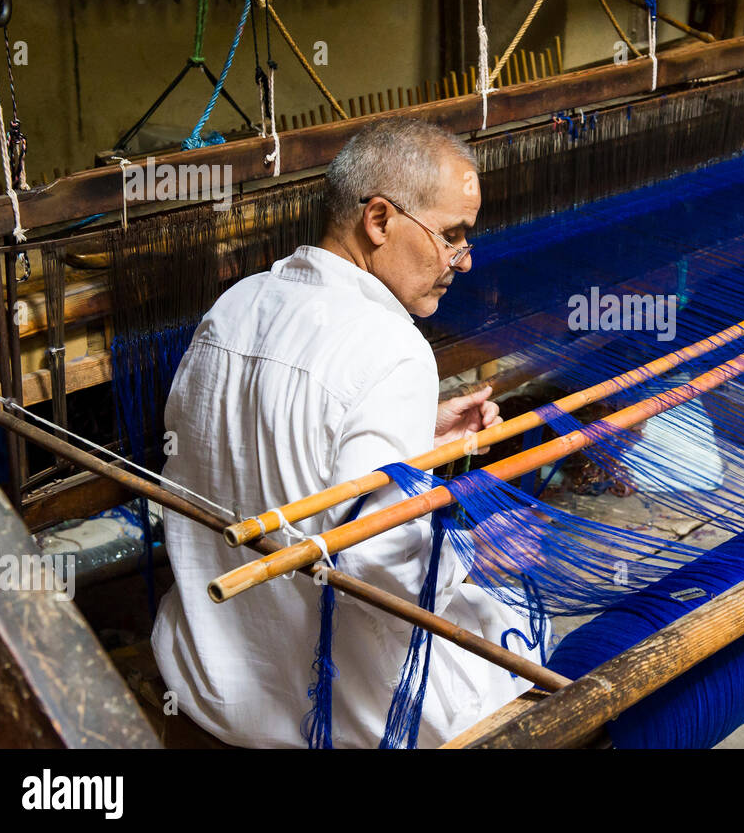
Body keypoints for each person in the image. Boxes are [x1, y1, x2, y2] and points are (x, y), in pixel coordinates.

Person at [152, 118, 536, 748]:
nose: (464, 263)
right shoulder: (394, 349)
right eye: (452, 237)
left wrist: (419, 434)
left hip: (207, 679)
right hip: (321, 711)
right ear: (380, 220)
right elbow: (376, 568)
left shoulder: (234, 306)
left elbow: (242, 440)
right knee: (515, 643)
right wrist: (474, 551)